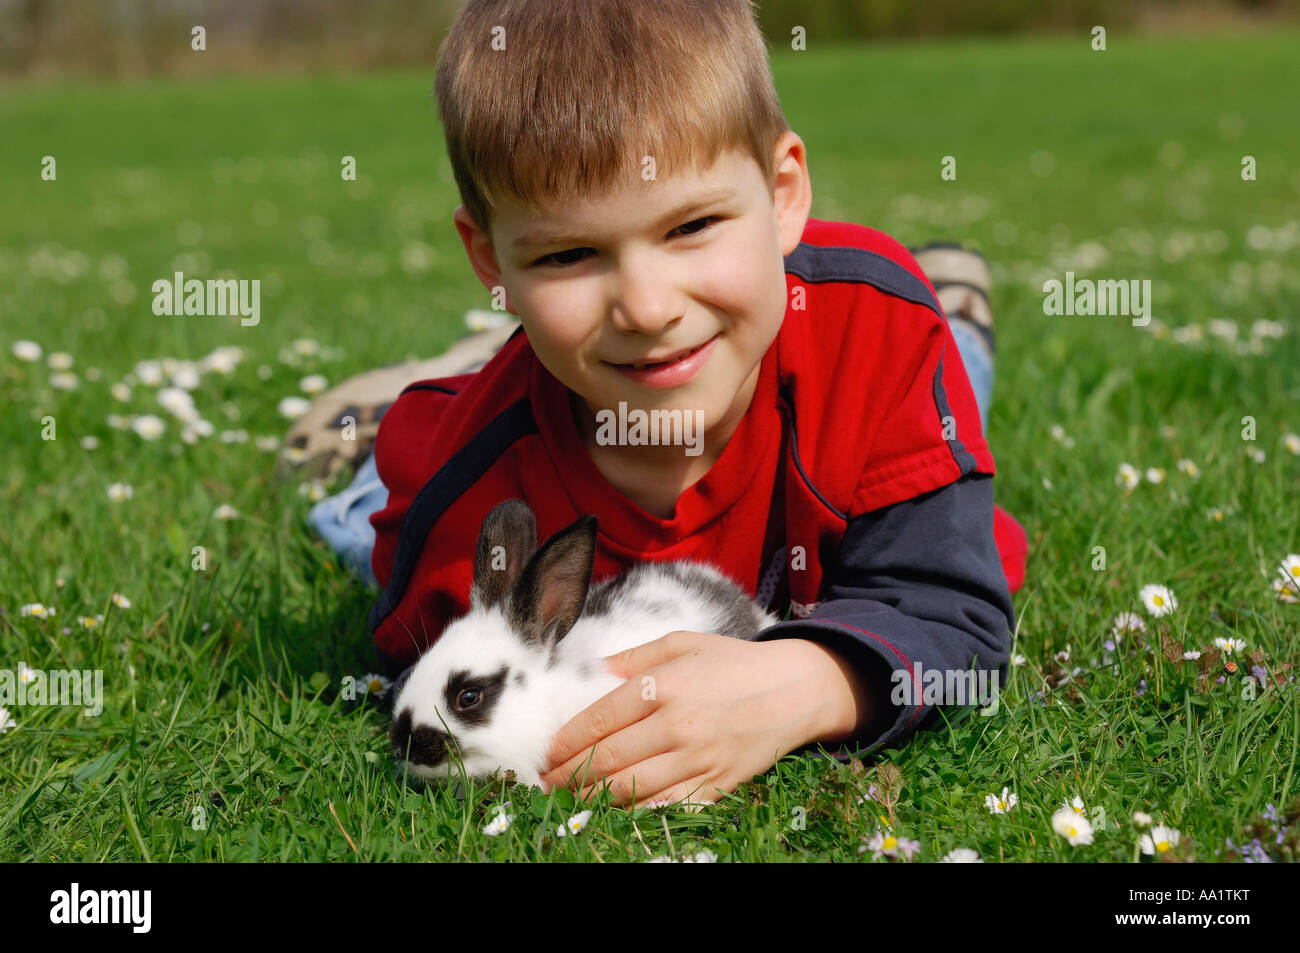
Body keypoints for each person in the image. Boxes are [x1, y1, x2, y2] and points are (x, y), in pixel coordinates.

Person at [294, 0, 1026, 809]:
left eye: (694, 226)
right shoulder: (468, 480)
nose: (646, 307)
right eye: (570, 253)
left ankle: (958, 312)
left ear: (783, 195)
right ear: (490, 260)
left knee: (953, 372)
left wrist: (799, 685)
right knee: (357, 524)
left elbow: (954, 615)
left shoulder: (878, 332)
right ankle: (415, 402)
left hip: (875, 333)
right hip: (490, 408)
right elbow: (419, 649)